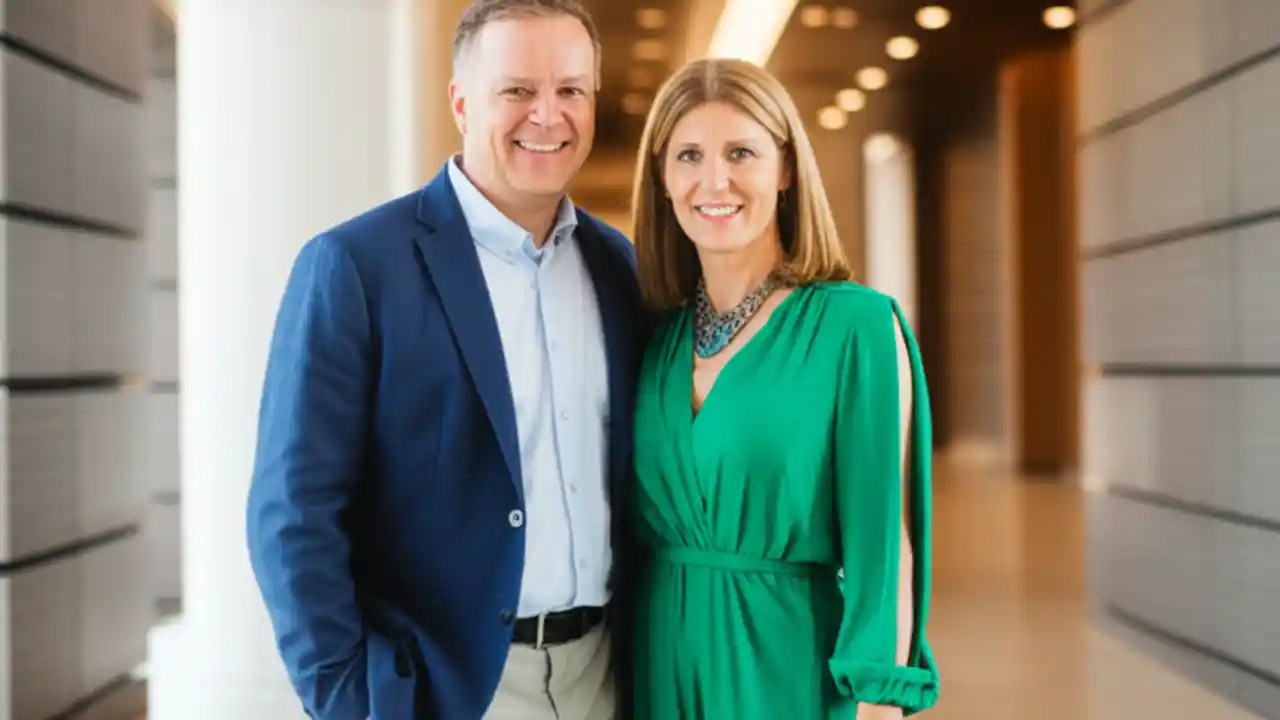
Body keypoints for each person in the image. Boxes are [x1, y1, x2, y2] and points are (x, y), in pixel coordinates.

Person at [245, 1, 641, 718]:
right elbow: (292, 516)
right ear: (461, 101)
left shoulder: (621, 270)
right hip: (447, 689)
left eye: (570, 90)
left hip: (606, 678)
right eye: (517, 90)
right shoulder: (355, 267)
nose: (547, 116)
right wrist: (351, 701)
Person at [627, 58, 941, 719]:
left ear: (787, 168)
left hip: (788, 665)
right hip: (659, 668)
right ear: (661, 179)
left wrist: (879, 700)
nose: (715, 180)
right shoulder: (653, 338)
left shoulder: (854, 326)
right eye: (689, 155)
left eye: (741, 152)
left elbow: (888, 542)